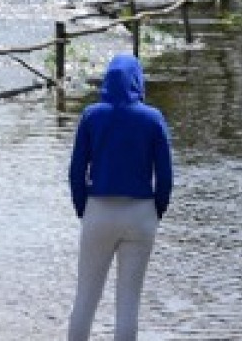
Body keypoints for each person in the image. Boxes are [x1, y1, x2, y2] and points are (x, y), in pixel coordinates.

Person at [67, 53, 174, 341]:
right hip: (140, 213)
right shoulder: (153, 118)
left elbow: (77, 172)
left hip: (99, 210)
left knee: (85, 299)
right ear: (138, 80)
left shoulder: (92, 115)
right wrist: (155, 211)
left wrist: (84, 209)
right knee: (129, 305)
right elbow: (165, 176)